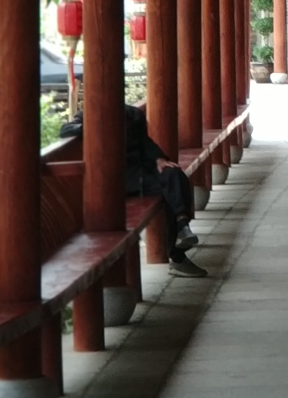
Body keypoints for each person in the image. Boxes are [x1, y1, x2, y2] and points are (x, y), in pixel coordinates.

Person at [68, 103, 207, 279]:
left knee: (175, 176)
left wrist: (159, 158)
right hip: (116, 181)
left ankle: (182, 225)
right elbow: (66, 130)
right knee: (171, 192)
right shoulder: (88, 115)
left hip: (141, 172)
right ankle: (178, 256)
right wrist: (91, 126)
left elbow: (145, 142)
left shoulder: (133, 114)